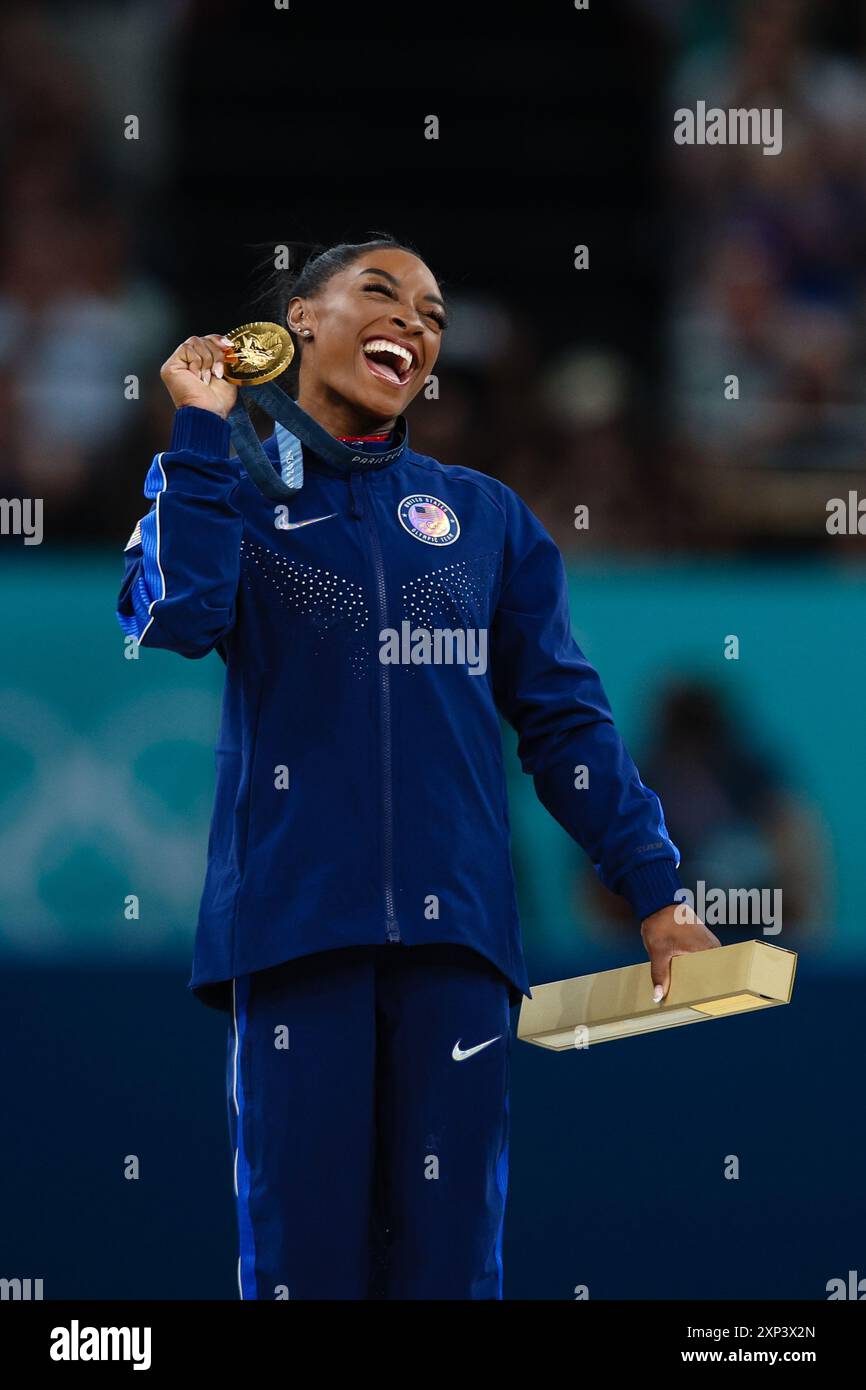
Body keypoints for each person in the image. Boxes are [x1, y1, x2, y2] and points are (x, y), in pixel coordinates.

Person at [116, 235, 719, 1300]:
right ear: (299, 319)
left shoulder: (483, 518)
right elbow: (178, 610)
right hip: (298, 934)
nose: (411, 323)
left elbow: (564, 723)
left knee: (450, 1275)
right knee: (304, 1270)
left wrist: (656, 890)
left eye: (431, 316)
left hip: (458, 950)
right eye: (380, 295)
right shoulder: (224, 484)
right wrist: (202, 429)